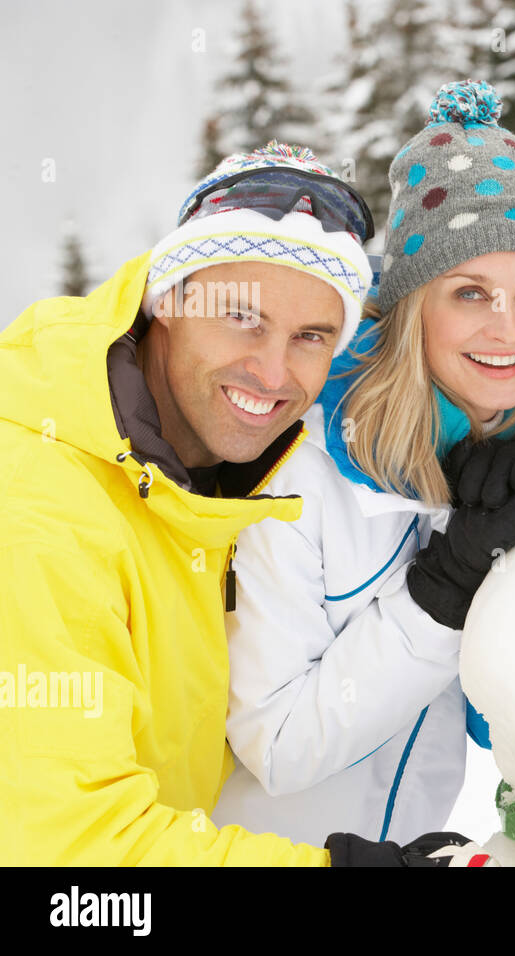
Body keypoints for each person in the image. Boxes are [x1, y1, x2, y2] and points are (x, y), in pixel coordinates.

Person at [212, 81, 515, 855]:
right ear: (414, 308)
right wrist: (443, 593)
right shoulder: (306, 471)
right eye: (469, 293)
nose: (507, 326)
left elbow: (508, 720)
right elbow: (276, 745)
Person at [0, 143, 383, 864]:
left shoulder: (213, 487)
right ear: (167, 300)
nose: (273, 372)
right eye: (242, 316)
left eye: (310, 337)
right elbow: (66, 854)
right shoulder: (37, 509)